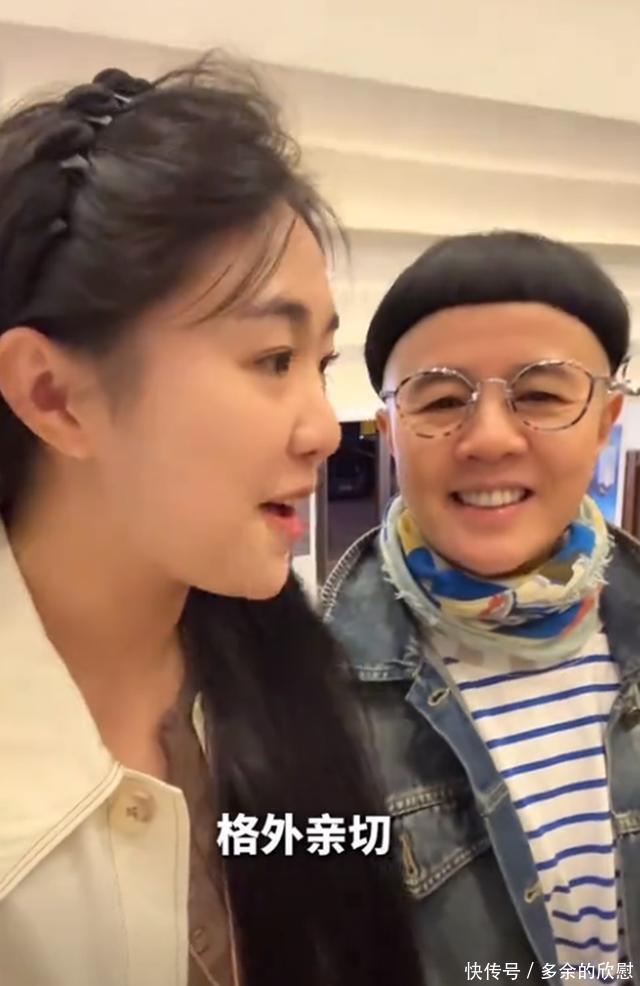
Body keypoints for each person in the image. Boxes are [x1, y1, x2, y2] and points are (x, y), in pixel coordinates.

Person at [0, 57, 424, 986]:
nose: (324, 429)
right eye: (273, 359)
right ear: (54, 395)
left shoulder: (294, 679)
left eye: (321, 364)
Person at [323, 231, 640, 985]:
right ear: (391, 432)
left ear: (605, 420)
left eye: (541, 396)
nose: (490, 439)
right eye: (439, 400)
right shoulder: (308, 691)